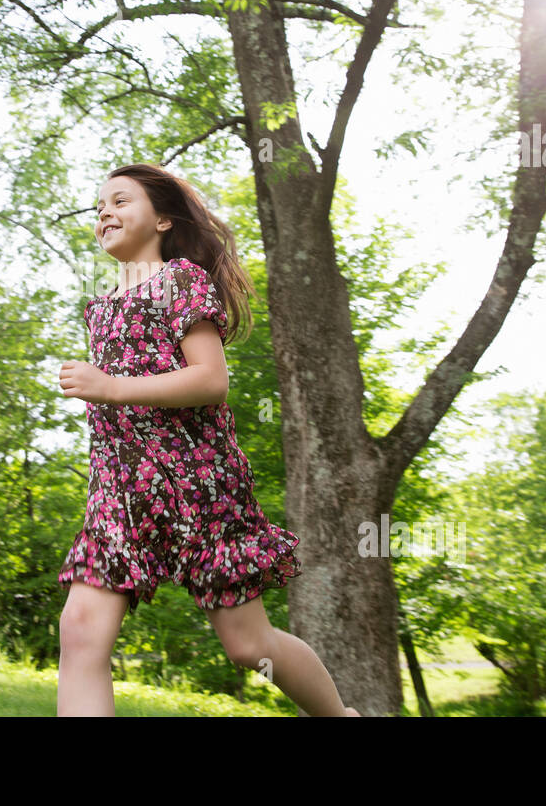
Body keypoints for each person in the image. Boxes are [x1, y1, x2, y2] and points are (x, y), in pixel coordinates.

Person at [56, 161, 360, 717]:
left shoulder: (181, 282)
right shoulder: (99, 309)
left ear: (165, 219)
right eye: (100, 206)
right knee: (79, 629)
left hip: (198, 484)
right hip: (121, 495)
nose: (105, 212)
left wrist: (109, 386)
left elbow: (211, 381)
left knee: (248, 646)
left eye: (121, 201)